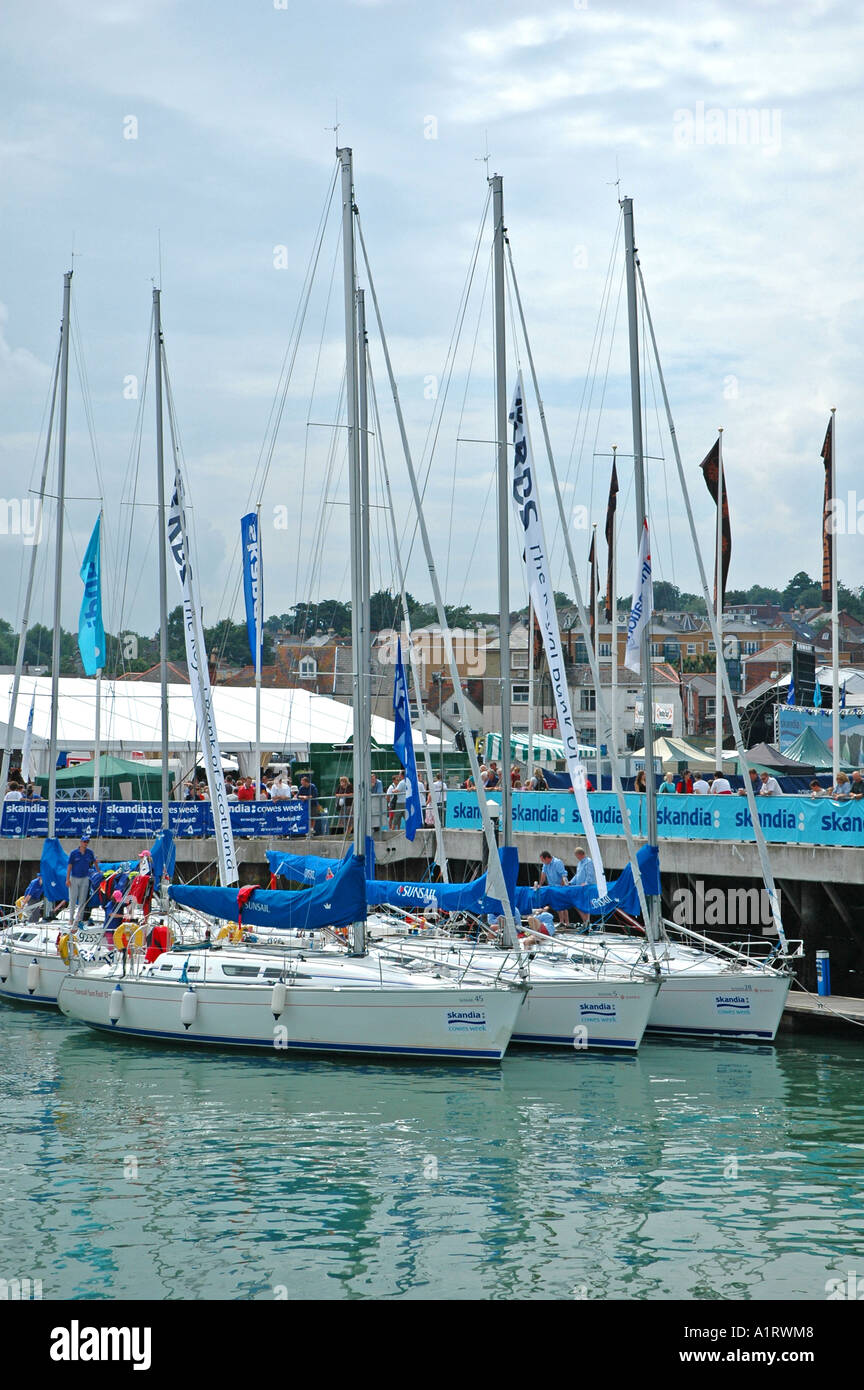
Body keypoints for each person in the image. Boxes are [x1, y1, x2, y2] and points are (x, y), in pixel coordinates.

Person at [66, 834, 99, 929]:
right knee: (72, 899)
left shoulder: (90, 853)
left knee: (82, 900)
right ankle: (71, 919)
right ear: (81, 842)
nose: (86, 843)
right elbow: (69, 866)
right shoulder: (74, 853)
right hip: (74, 878)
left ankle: (78, 919)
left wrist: (99, 871)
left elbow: (95, 861)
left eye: (87, 842)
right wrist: (67, 879)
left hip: (85, 878)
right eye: (84, 841)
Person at [537, 848, 569, 926]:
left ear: (547, 858)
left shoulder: (557, 862)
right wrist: (540, 885)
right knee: (557, 904)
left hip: (561, 885)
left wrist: (561, 887)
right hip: (552, 886)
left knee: (564, 904)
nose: (542, 862)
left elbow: (563, 875)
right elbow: (543, 875)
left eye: (543, 860)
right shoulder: (545, 864)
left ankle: (567, 923)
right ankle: (561, 922)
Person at [572, 842, 596, 924]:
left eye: (576, 856)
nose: (576, 858)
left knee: (585, 904)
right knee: (578, 904)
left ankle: (587, 922)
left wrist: (586, 883)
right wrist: (570, 882)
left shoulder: (588, 862)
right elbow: (577, 875)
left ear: (579, 854)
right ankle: (585, 921)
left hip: (586, 888)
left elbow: (590, 874)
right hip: (579, 887)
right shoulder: (579, 863)